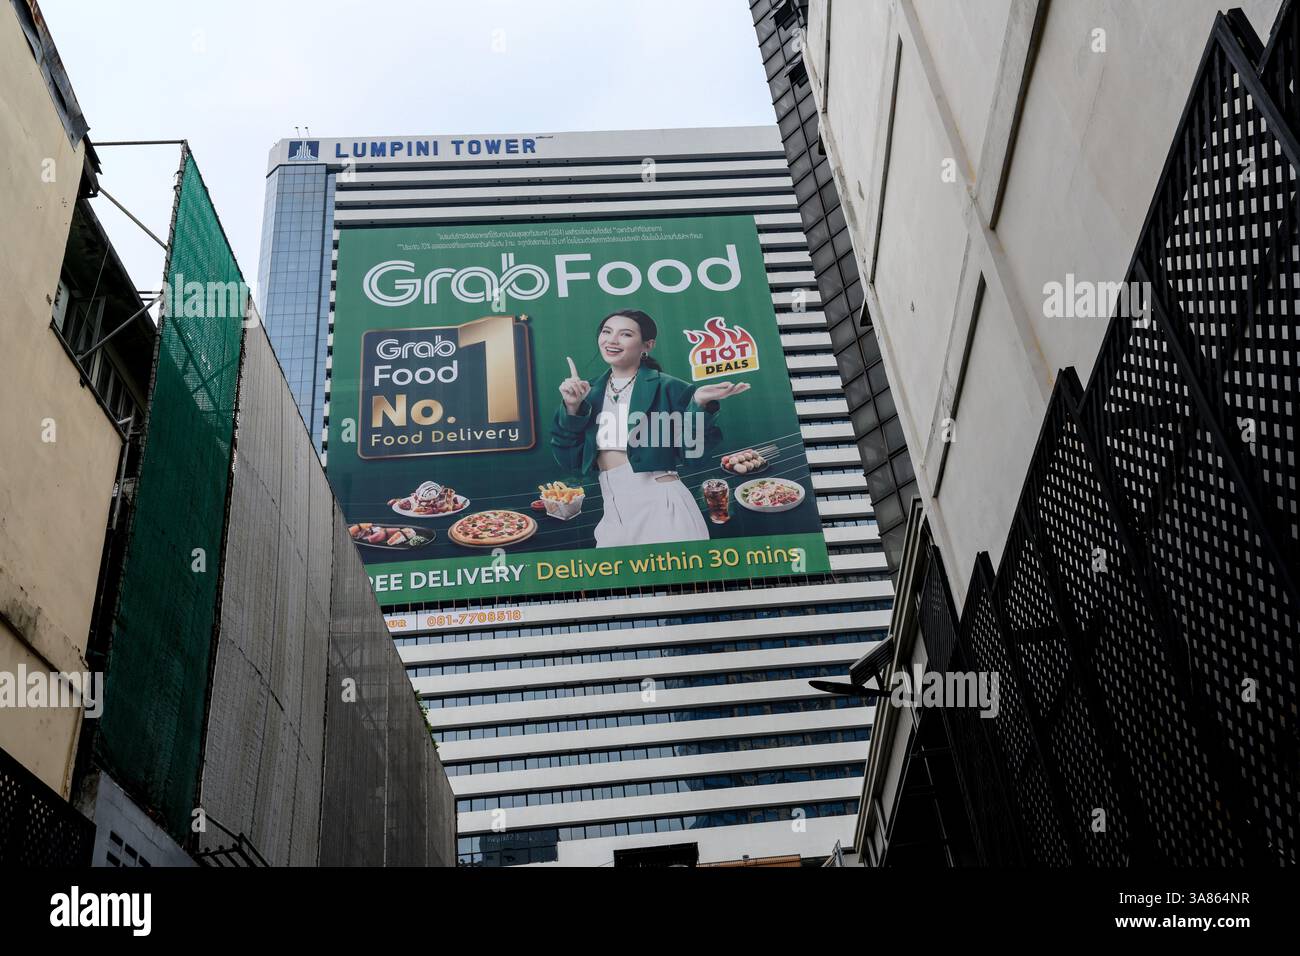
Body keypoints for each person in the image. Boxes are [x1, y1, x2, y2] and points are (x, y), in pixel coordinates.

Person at [551, 310, 750, 548]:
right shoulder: (586, 391)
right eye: (607, 332)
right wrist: (572, 408)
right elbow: (570, 461)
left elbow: (694, 457)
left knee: (682, 583)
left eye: (625, 334)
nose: (612, 340)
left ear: (647, 345)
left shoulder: (671, 388)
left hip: (661, 504)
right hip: (614, 510)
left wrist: (698, 405)